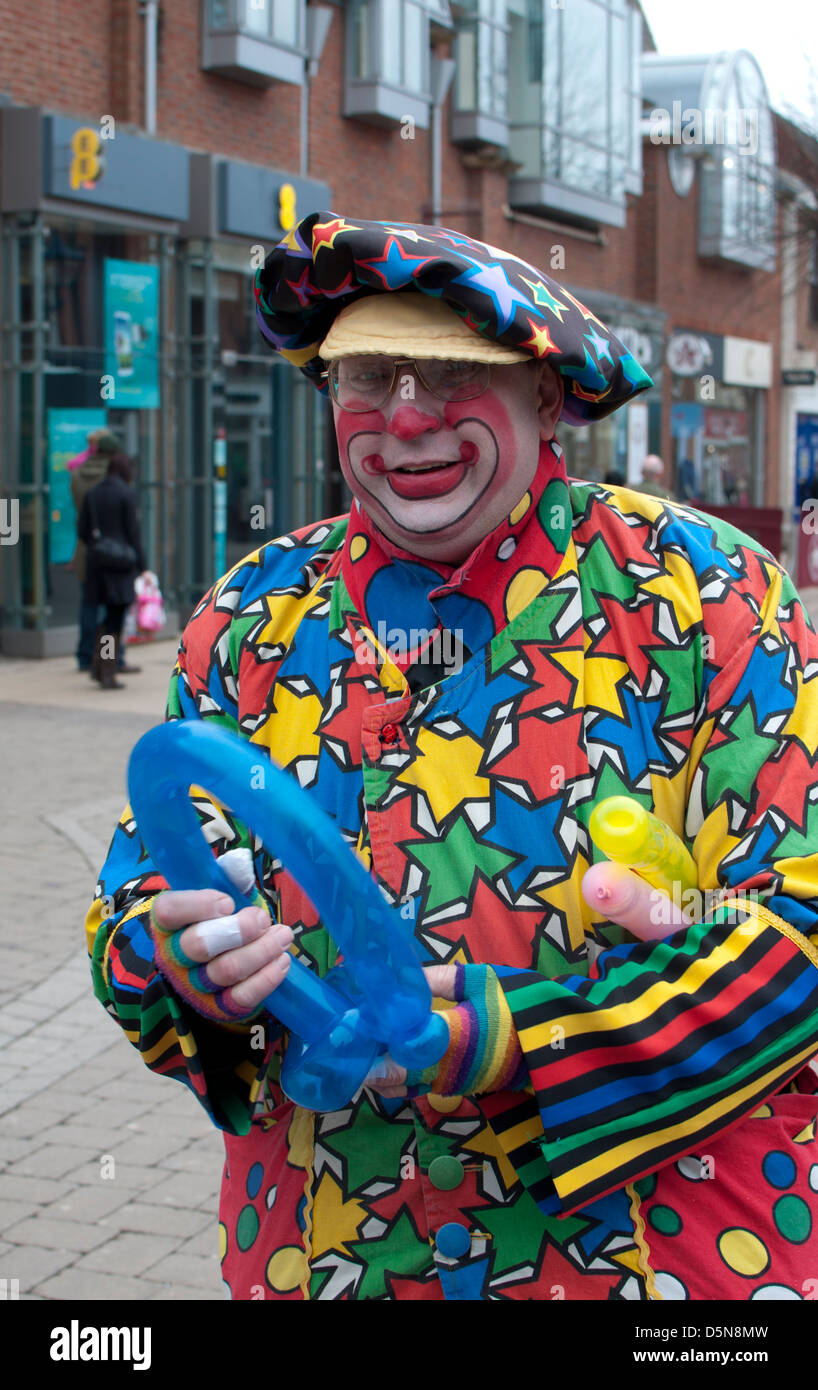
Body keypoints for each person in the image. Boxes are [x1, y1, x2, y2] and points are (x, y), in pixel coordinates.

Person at [87, 214, 818, 1301]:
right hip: (326, 1251)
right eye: (370, 375)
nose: (406, 414)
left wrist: (502, 1036)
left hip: (651, 1257)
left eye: (449, 373)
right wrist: (178, 966)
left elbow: (797, 934)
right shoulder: (250, 613)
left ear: (542, 394)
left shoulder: (705, 593)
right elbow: (136, 894)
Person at [71, 430, 142, 676]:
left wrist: (96, 545)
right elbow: (134, 534)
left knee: (93, 611)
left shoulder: (88, 487)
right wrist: (143, 567)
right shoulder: (126, 493)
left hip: (94, 559)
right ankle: (107, 668)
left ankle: (92, 661)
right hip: (120, 564)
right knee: (114, 620)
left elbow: (81, 529)